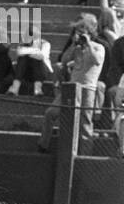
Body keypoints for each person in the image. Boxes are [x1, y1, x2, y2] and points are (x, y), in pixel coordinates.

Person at [38, 13, 105, 150]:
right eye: (77, 32)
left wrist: (88, 44)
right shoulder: (76, 48)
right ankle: (43, 144)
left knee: (85, 124)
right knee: (51, 113)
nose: (79, 35)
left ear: (90, 32)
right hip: (71, 88)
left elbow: (97, 61)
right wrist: (74, 45)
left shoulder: (98, 47)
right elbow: (64, 60)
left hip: (88, 89)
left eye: (82, 32)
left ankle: (85, 154)